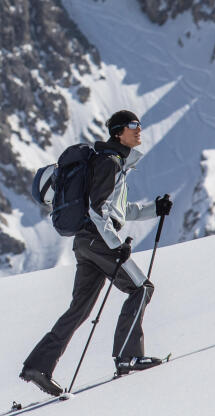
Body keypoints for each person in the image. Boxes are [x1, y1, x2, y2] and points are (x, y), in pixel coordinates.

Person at [21, 110, 173, 396]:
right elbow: (98, 209)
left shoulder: (113, 163)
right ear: (118, 132)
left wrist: (155, 208)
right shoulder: (110, 162)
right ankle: (128, 356)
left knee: (79, 309)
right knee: (142, 288)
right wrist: (116, 245)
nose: (138, 129)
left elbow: (120, 210)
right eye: (132, 125)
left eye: (139, 124)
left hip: (86, 242)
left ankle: (38, 366)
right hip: (99, 239)